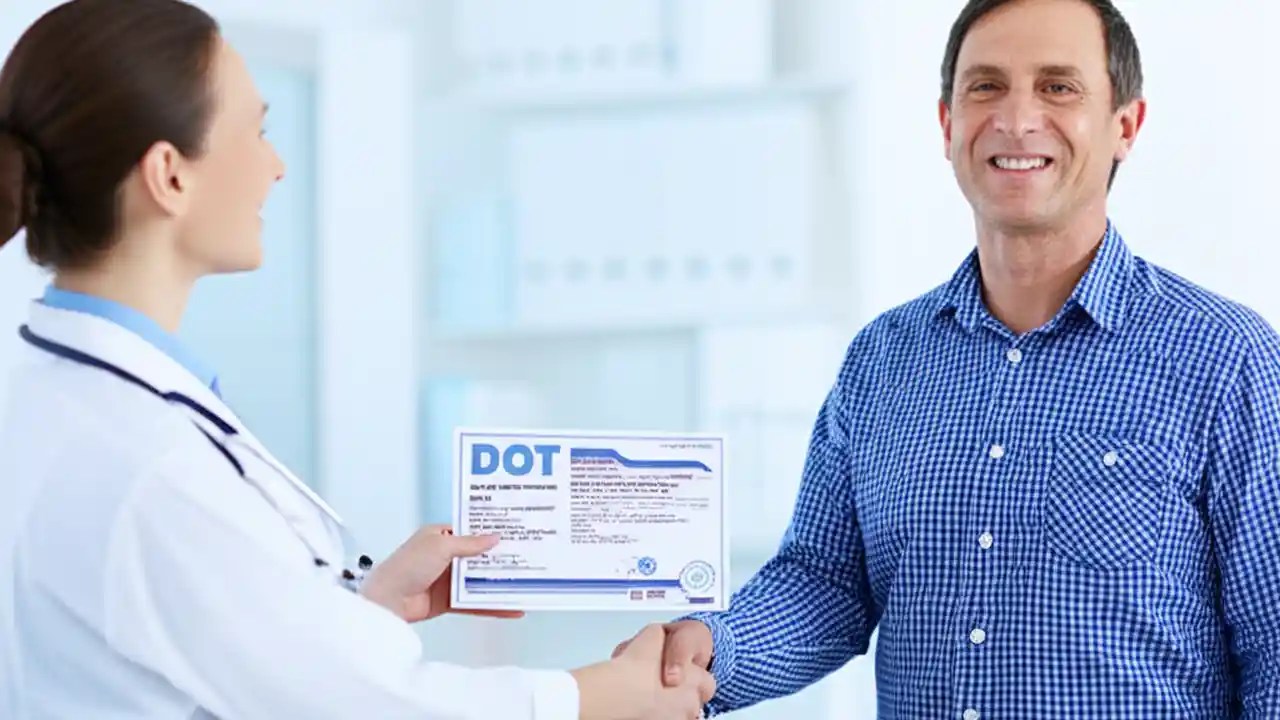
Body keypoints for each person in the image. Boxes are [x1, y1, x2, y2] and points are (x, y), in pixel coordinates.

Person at [0, 1, 716, 718]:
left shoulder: (71, 403)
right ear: (170, 175)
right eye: (257, 130)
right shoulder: (143, 462)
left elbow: (236, 656)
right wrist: (595, 700)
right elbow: (370, 708)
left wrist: (361, 611)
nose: (276, 166)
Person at [613, 0, 1280, 717]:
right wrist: (714, 647)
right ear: (947, 124)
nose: (1018, 118)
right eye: (986, 86)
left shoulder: (1226, 360)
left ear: (1126, 126)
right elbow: (826, 583)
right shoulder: (882, 364)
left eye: (1059, 87)